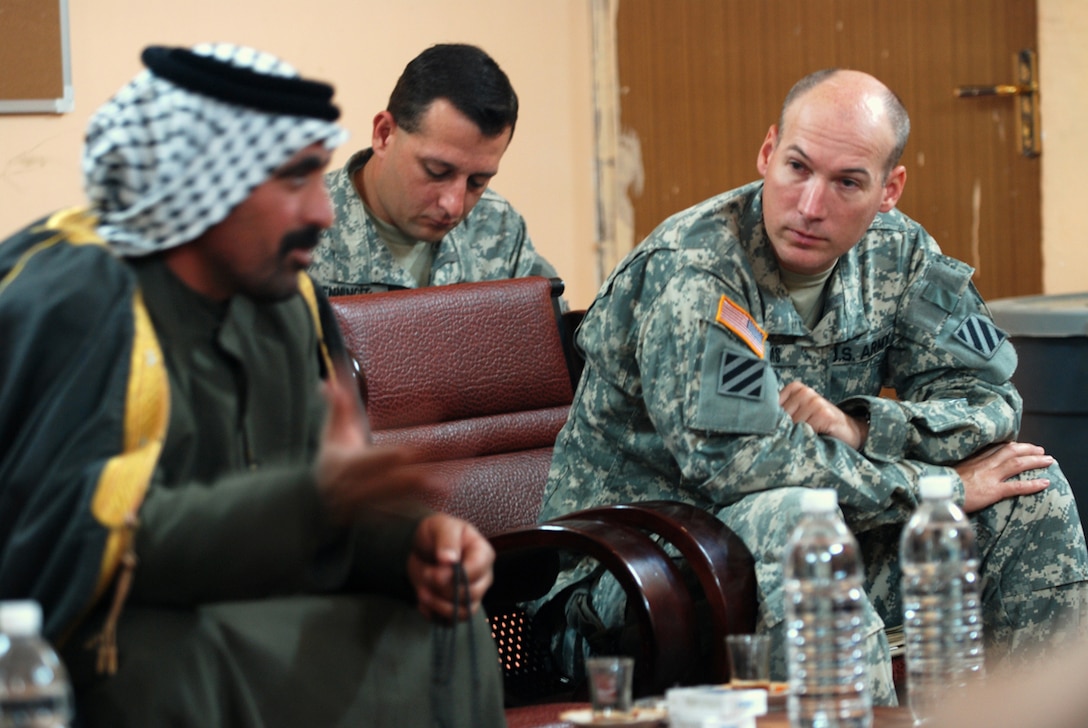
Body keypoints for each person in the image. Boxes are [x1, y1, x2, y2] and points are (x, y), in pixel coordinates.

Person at [534, 68, 1088, 704]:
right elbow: (742, 468)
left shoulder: (901, 256)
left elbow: (994, 404)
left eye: (848, 182)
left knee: (1030, 494)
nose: (811, 205)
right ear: (768, 153)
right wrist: (933, 488)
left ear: (889, 189)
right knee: (799, 523)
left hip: (795, 548)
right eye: (798, 167)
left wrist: (862, 426)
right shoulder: (694, 270)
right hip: (635, 579)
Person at [0, 43, 504, 727]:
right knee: (168, 655)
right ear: (206, 187)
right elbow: (78, 543)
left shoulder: (286, 302)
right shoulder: (80, 299)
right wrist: (307, 505)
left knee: (449, 621)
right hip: (98, 628)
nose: (323, 213)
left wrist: (412, 546)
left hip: (237, 603)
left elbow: (324, 500)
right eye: (293, 183)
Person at [308, 43, 562, 297]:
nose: (454, 205)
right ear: (384, 135)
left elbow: (549, 330)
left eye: (477, 182)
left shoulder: (500, 229)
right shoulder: (293, 230)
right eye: (436, 171)